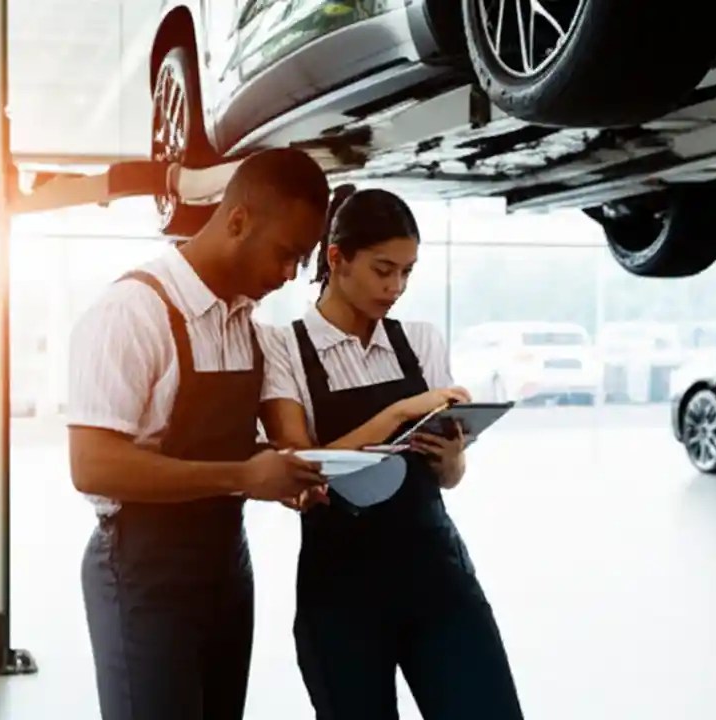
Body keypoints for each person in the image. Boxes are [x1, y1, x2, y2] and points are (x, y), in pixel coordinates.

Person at [67, 148, 333, 720]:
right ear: (237, 221)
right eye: (286, 254)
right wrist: (242, 476)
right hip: (141, 571)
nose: (290, 274)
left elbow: (235, 444)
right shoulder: (132, 314)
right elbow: (93, 465)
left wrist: (282, 474)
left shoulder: (246, 325)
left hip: (224, 565)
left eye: (302, 259)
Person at [259, 185, 524, 719]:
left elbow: (448, 478)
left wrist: (452, 461)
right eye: (384, 269)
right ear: (337, 258)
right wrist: (400, 413)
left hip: (438, 577)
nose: (396, 286)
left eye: (407, 272)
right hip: (341, 595)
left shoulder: (420, 340)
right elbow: (298, 466)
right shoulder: (281, 347)